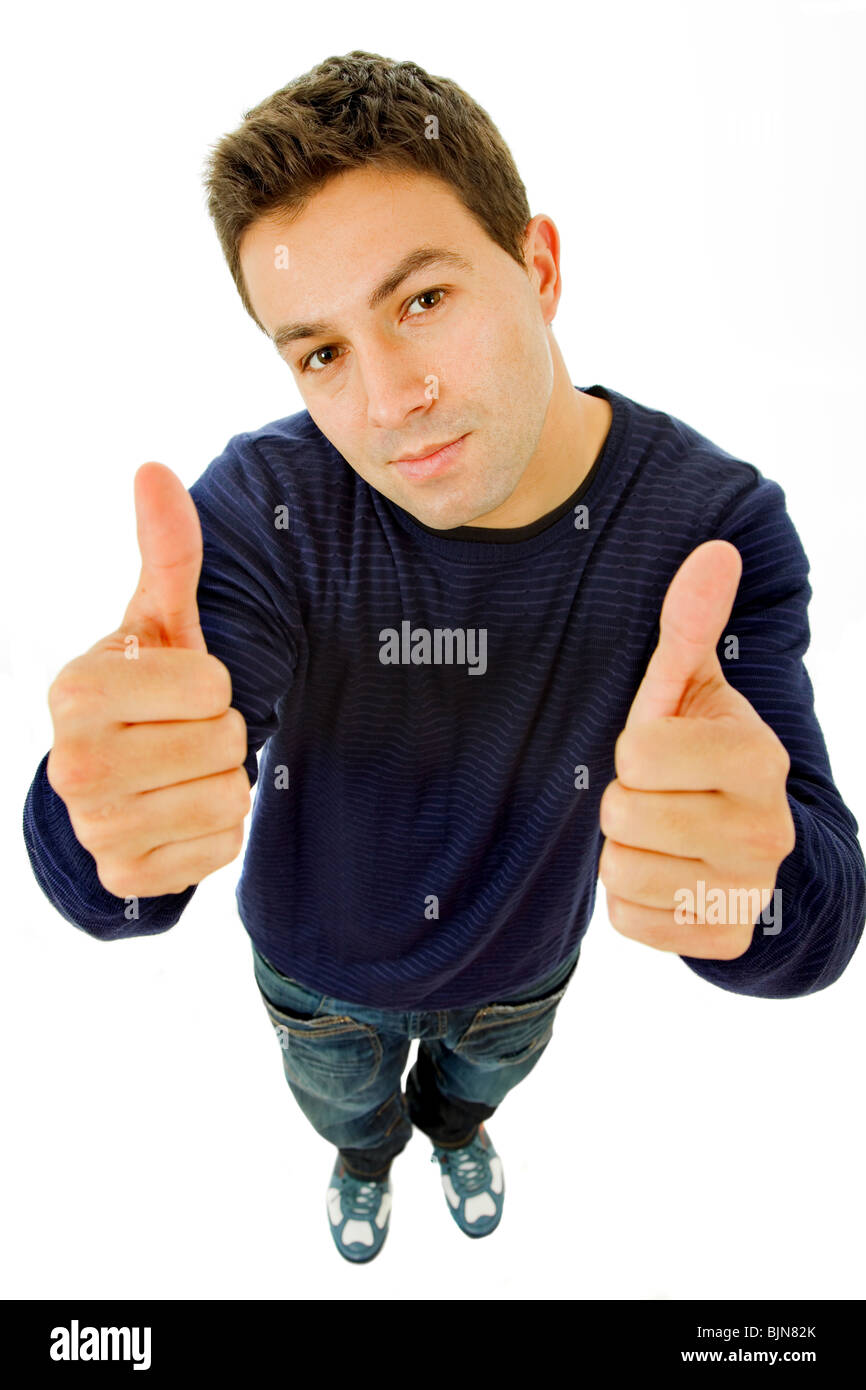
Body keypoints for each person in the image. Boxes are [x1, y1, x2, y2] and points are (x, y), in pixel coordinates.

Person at [23, 51, 865, 1265]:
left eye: (421, 299)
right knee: (347, 1118)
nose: (388, 400)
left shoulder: (709, 532)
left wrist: (742, 889)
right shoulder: (268, 509)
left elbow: (817, 912)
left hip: (524, 974)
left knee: (476, 1092)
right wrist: (94, 822)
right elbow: (107, 873)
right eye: (319, 353)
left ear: (537, 267)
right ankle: (364, 1164)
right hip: (316, 985)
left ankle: (458, 1133)